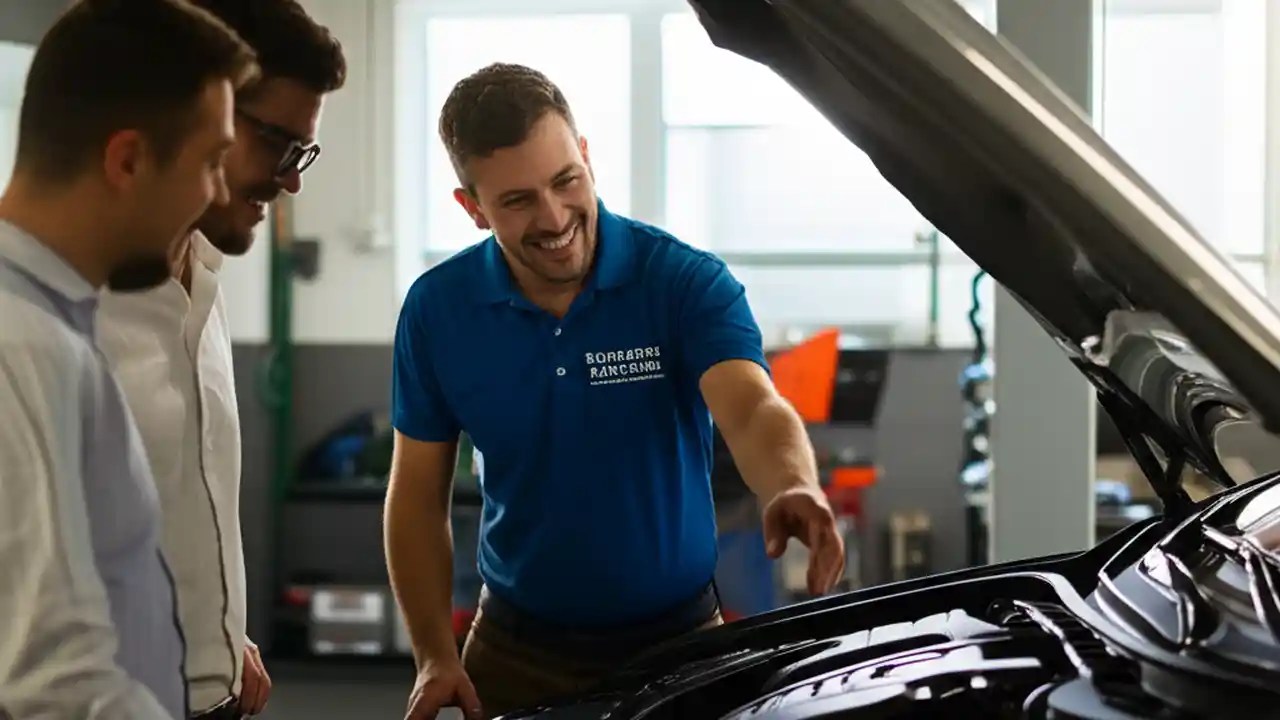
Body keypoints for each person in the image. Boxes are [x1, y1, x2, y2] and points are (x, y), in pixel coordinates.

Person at [387, 62, 847, 720]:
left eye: (565, 180)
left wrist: (791, 482)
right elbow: (414, 497)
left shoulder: (681, 282)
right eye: (517, 201)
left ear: (586, 157)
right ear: (473, 209)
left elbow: (751, 407)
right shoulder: (438, 311)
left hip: (683, 646)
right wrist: (434, 653)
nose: (554, 217)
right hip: (514, 655)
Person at [0, 1, 258, 718]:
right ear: (128, 160)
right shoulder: (21, 343)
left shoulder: (53, 322)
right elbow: (56, 685)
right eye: (210, 162)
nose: (217, 191)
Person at [93, 1, 347, 717]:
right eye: (277, 144)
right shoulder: (45, 305)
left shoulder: (202, 272)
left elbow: (177, 499)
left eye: (304, 150)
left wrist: (216, 631)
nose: (292, 179)